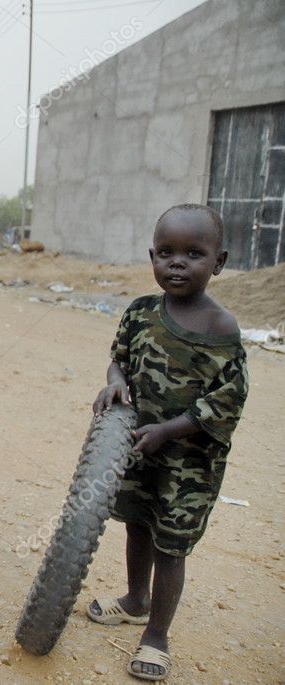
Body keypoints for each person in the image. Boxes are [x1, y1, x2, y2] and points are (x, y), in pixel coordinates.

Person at [89, 204, 247, 682]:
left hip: (188, 462)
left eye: (194, 254)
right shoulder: (140, 313)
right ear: (151, 257)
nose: (177, 263)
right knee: (136, 525)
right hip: (138, 447)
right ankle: (136, 600)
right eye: (166, 253)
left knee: (170, 546)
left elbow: (226, 401)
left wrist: (169, 431)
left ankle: (156, 635)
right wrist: (115, 382)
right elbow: (118, 359)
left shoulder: (222, 329)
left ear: (218, 262)